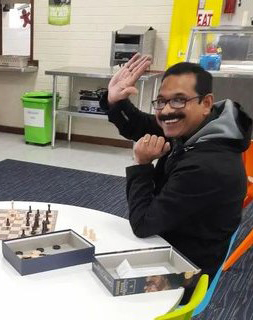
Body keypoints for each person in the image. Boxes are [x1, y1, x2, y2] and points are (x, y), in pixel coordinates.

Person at [100, 54, 252, 287]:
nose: (167, 111)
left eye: (179, 100)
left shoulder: (207, 165)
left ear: (206, 103)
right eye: (161, 101)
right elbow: (146, 126)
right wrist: (116, 101)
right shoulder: (204, 129)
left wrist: (141, 165)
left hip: (183, 272)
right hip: (168, 239)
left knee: (88, 277)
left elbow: (143, 224)